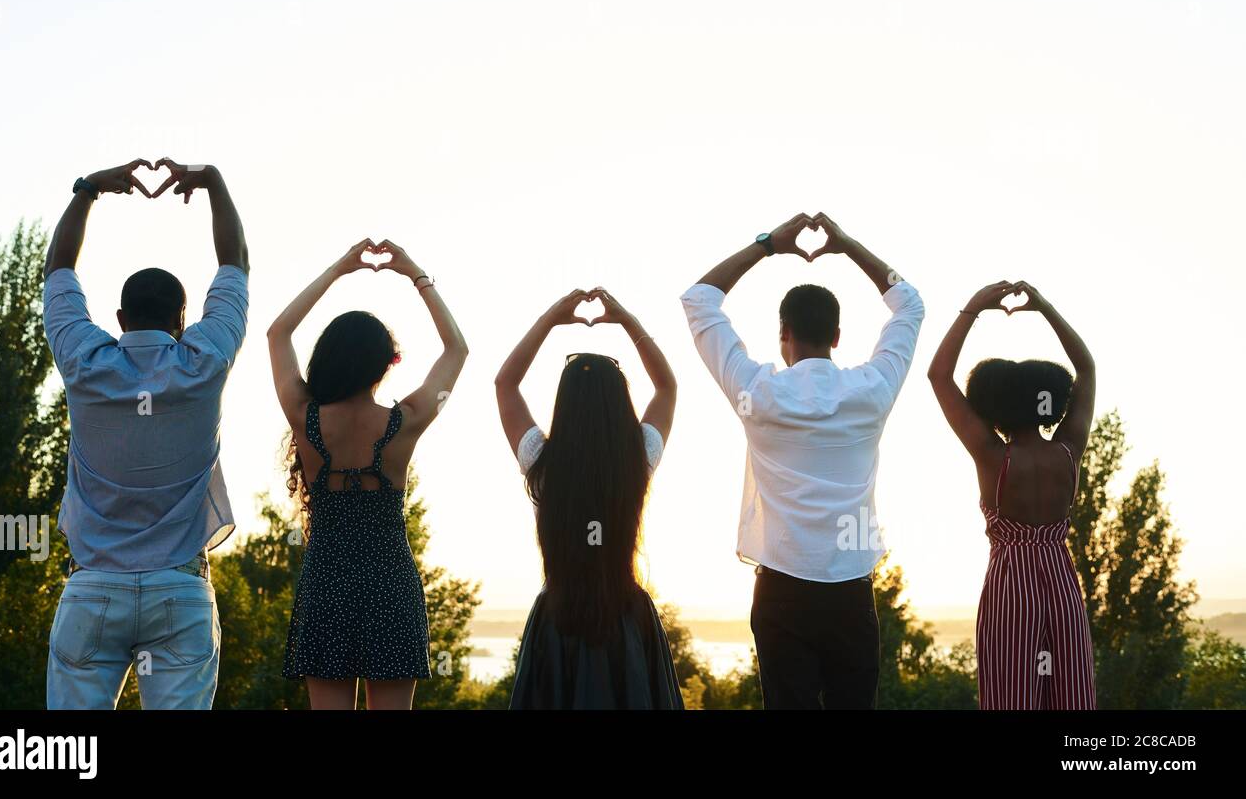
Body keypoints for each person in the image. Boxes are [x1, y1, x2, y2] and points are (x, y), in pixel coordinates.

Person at [681, 212, 924, 709]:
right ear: (837, 335)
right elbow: (909, 305)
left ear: (783, 333)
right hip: (850, 594)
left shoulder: (759, 391)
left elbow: (699, 299)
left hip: (781, 594)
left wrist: (768, 245)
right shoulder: (872, 390)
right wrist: (848, 245)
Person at [43, 157, 250, 709]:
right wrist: (213, 183)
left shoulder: (83, 363)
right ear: (183, 321)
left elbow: (57, 270)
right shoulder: (205, 364)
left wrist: (87, 191)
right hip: (180, 593)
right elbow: (236, 265)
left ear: (117, 316)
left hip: (93, 589)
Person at [270, 238, 468, 710]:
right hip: (390, 587)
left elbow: (278, 333)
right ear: (385, 365)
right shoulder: (407, 421)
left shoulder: (304, 415)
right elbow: (456, 349)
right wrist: (416, 275)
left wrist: (338, 269)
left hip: (327, 585)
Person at [494, 288, 682, 709]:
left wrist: (552, 317)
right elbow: (667, 386)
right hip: (628, 621)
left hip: (558, 621)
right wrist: (627, 321)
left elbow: (505, 383)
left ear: (564, 406)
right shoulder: (638, 461)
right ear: (620, 405)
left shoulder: (542, 464)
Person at [927, 280, 1097, 710]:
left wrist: (972, 309)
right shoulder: (1068, 450)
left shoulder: (990, 454)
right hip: (1060, 578)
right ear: (1050, 403)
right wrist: (1045, 308)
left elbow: (938, 376)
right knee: (1070, 692)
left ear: (994, 407)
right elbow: (1087, 369)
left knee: (1011, 696)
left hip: (1011, 583)